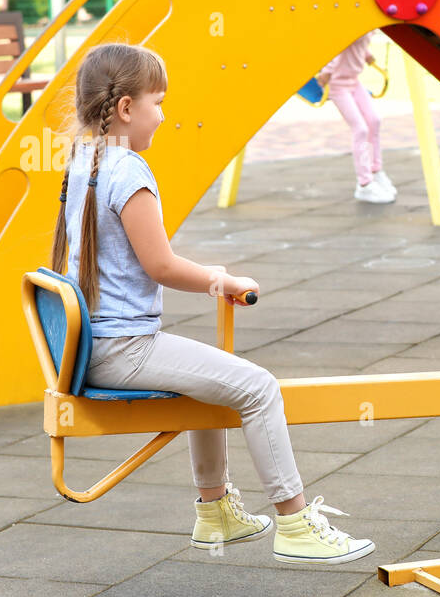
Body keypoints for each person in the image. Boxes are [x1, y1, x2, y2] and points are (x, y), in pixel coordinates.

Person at [49, 42, 374, 564]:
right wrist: (218, 280)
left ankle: (214, 511)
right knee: (258, 388)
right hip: (121, 348)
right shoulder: (129, 172)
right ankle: (294, 524)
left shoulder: (84, 160)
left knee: (208, 383)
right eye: (158, 102)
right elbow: (161, 265)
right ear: (127, 109)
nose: (163, 114)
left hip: (92, 344)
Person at [317, 32, 396, 204]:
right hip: (337, 85)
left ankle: (375, 171)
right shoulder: (351, 24)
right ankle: (365, 184)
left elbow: (357, 46)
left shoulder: (368, 27)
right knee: (360, 129)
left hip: (354, 81)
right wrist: (327, 71)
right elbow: (339, 45)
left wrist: (367, 56)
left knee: (374, 121)